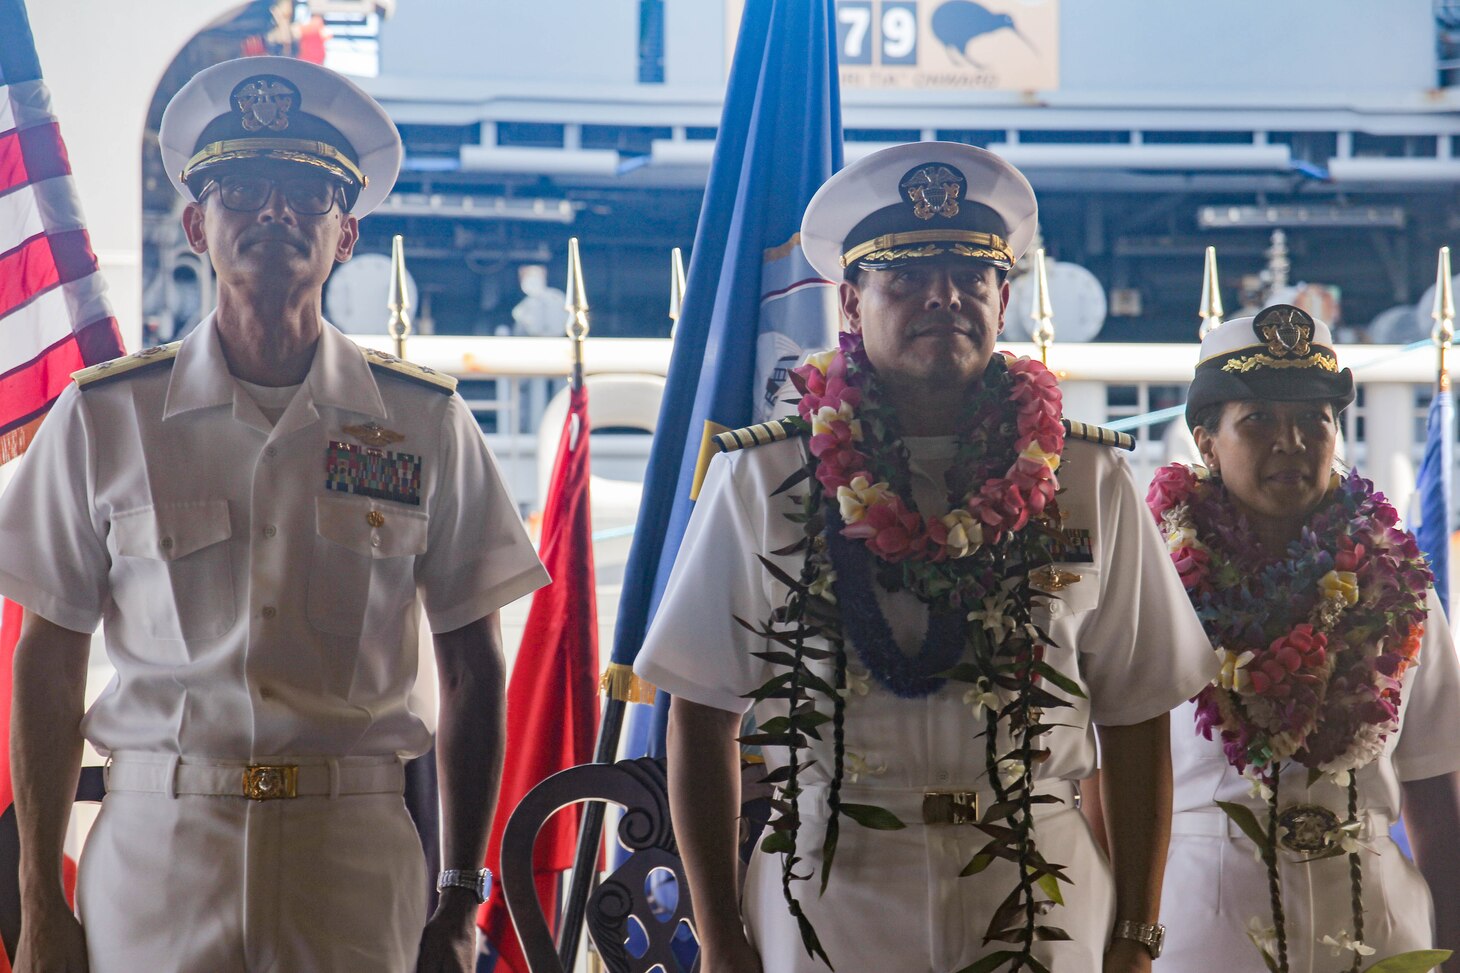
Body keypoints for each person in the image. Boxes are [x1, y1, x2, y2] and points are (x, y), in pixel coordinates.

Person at [0, 57, 549, 973]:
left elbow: (472, 670)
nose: (274, 213)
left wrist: (461, 897)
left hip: (353, 865)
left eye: (306, 192)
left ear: (347, 235)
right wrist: (40, 906)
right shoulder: (107, 418)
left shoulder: (423, 423)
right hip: (157, 860)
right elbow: (48, 660)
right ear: (195, 226)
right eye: (243, 189)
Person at [632, 142, 1218, 973]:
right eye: (904, 274)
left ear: (1004, 297)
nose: (943, 295)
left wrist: (1136, 935)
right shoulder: (763, 477)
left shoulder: (1086, 477)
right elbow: (699, 710)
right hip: (828, 897)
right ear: (849, 301)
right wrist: (721, 936)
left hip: (1035, 895)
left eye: (969, 275)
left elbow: (1135, 712)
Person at [1133, 305, 1460, 971]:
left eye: (1315, 418)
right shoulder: (1152, 579)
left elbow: (1434, 788)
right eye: (1258, 420)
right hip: (1203, 933)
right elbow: (1109, 784)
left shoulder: (1400, 581)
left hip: (1380, 927)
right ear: (1205, 439)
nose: (1292, 440)